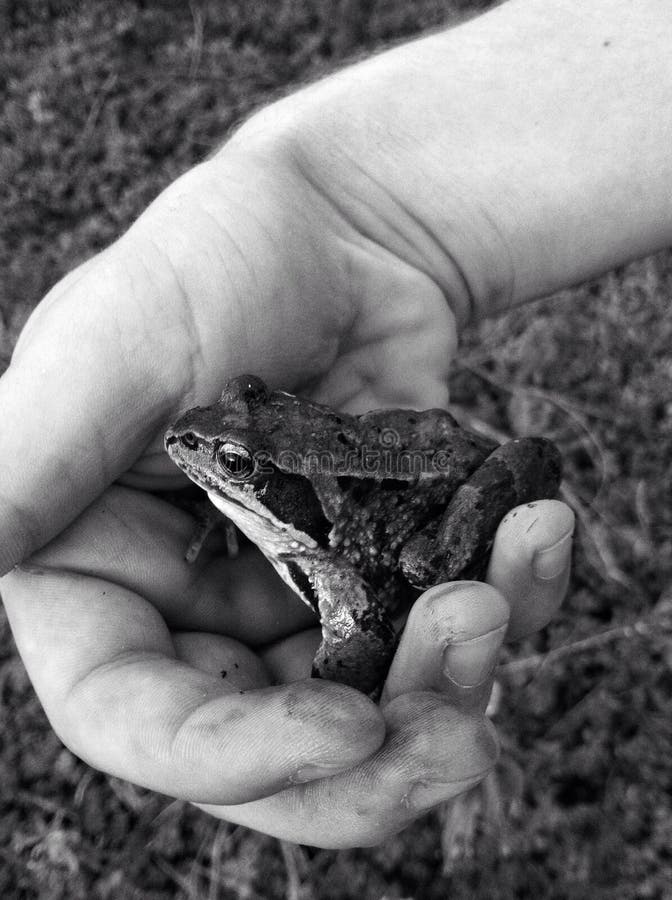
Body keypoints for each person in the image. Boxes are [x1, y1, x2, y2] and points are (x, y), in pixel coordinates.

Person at [0, 0, 669, 848]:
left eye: (238, 465)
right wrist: (322, 195)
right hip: (390, 450)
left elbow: (353, 630)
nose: (203, 440)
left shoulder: (325, 543)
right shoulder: (251, 471)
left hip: (421, 492)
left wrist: (335, 669)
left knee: (421, 574)